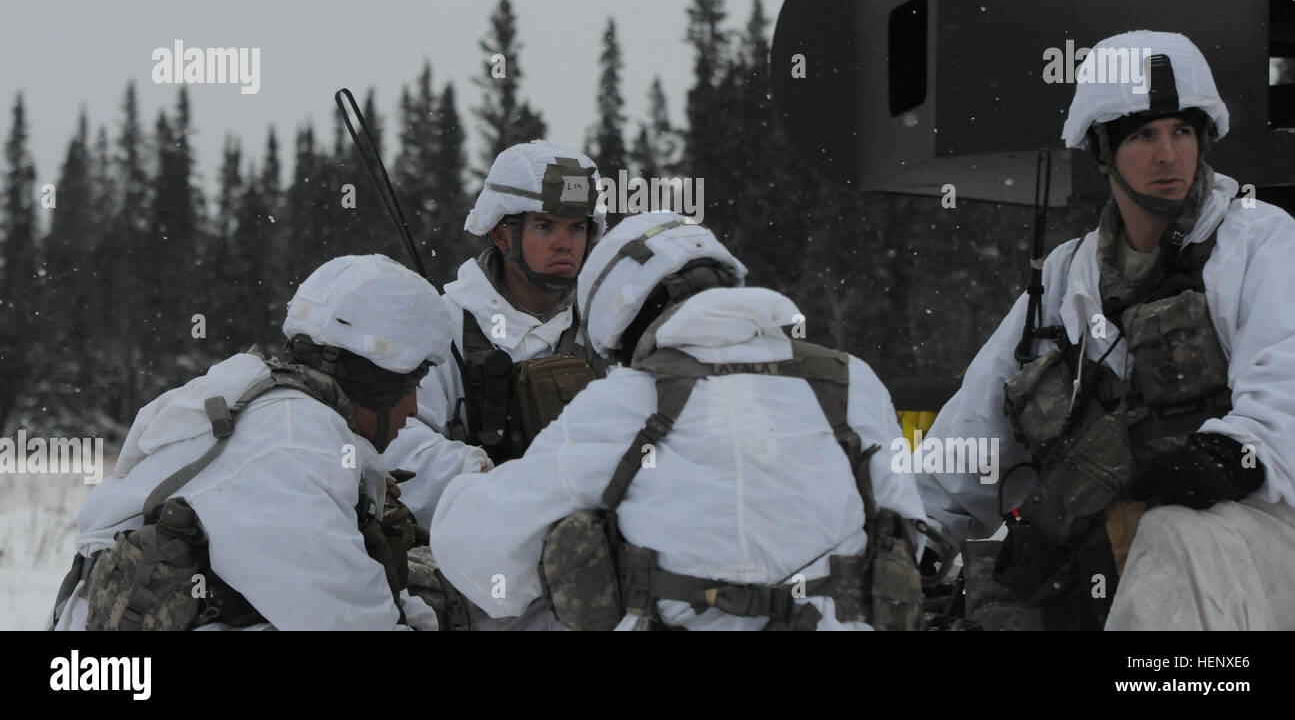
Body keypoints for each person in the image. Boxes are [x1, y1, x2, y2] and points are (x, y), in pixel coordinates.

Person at [917, 30, 1295, 630]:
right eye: (1144, 135)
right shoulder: (1066, 280)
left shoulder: (1259, 243)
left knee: (1170, 535)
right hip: (1118, 557)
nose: (1169, 154)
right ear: (1103, 151)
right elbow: (972, 437)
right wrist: (914, 535)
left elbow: (1291, 376)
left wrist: (1227, 454)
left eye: (1182, 132)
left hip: (1262, 538)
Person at [427, 211, 928, 630]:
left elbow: (480, 548)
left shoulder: (624, 402)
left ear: (622, 320)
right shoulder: (847, 382)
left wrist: (471, 487)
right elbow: (906, 530)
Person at [50, 254, 483, 631]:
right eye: (412, 383)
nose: (412, 409)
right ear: (374, 380)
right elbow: (345, 621)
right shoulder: (291, 451)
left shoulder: (246, 394)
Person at [383, 141, 607, 526]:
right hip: (478, 542)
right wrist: (487, 479)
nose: (564, 243)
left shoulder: (606, 327)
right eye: (544, 225)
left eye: (577, 227)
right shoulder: (447, 324)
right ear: (504, 236)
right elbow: (397, 442)